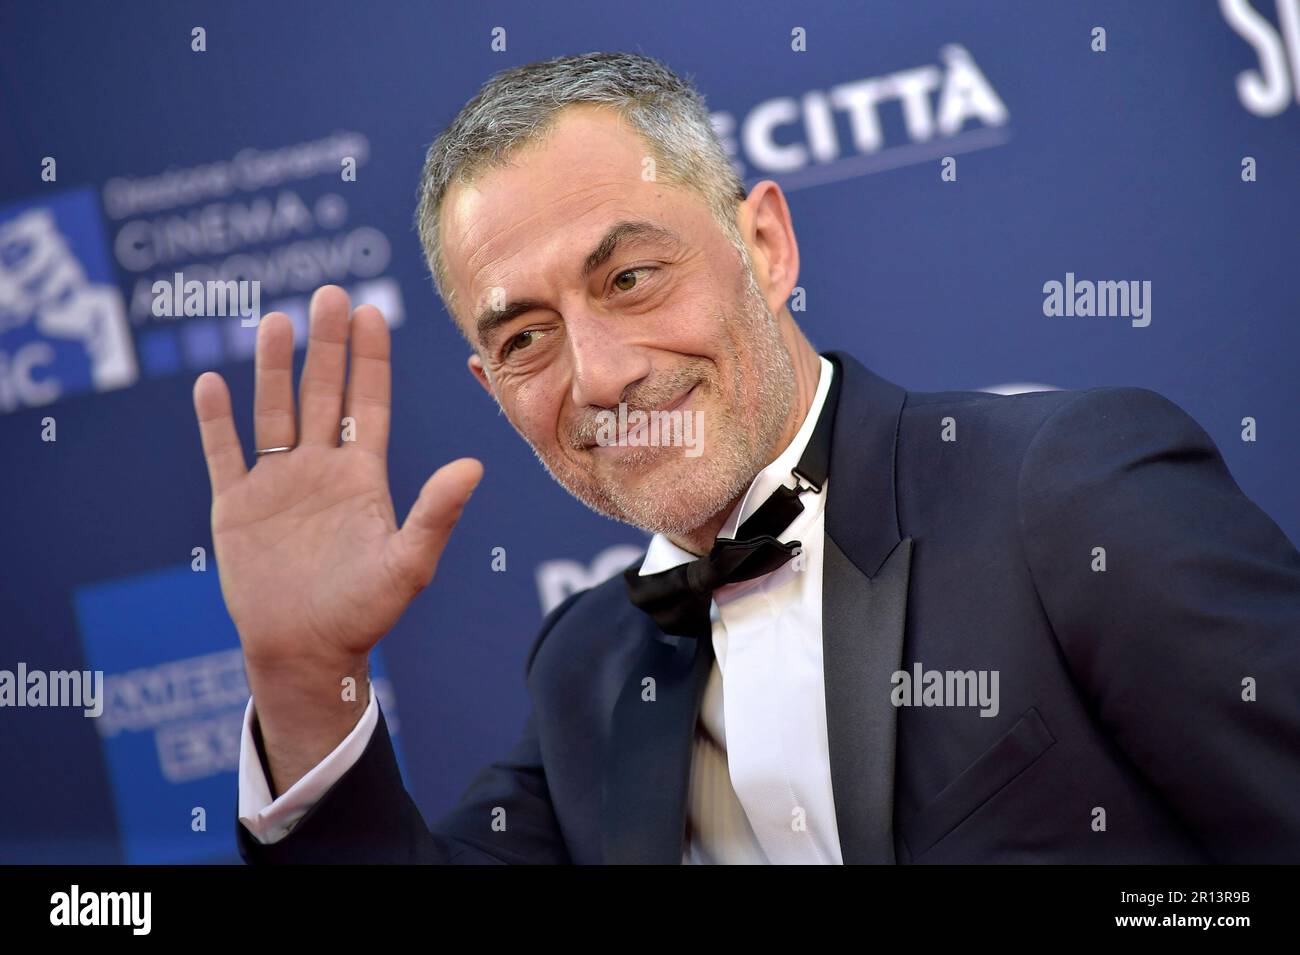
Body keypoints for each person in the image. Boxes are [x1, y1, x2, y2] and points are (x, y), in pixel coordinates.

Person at [191, 52, 1300, 864]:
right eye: (524, 336)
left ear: (762, 246)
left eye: (630, 278)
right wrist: (301, 685)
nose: (602, 373)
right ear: (492, 392)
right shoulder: (583, 671)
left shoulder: (1065, 495)